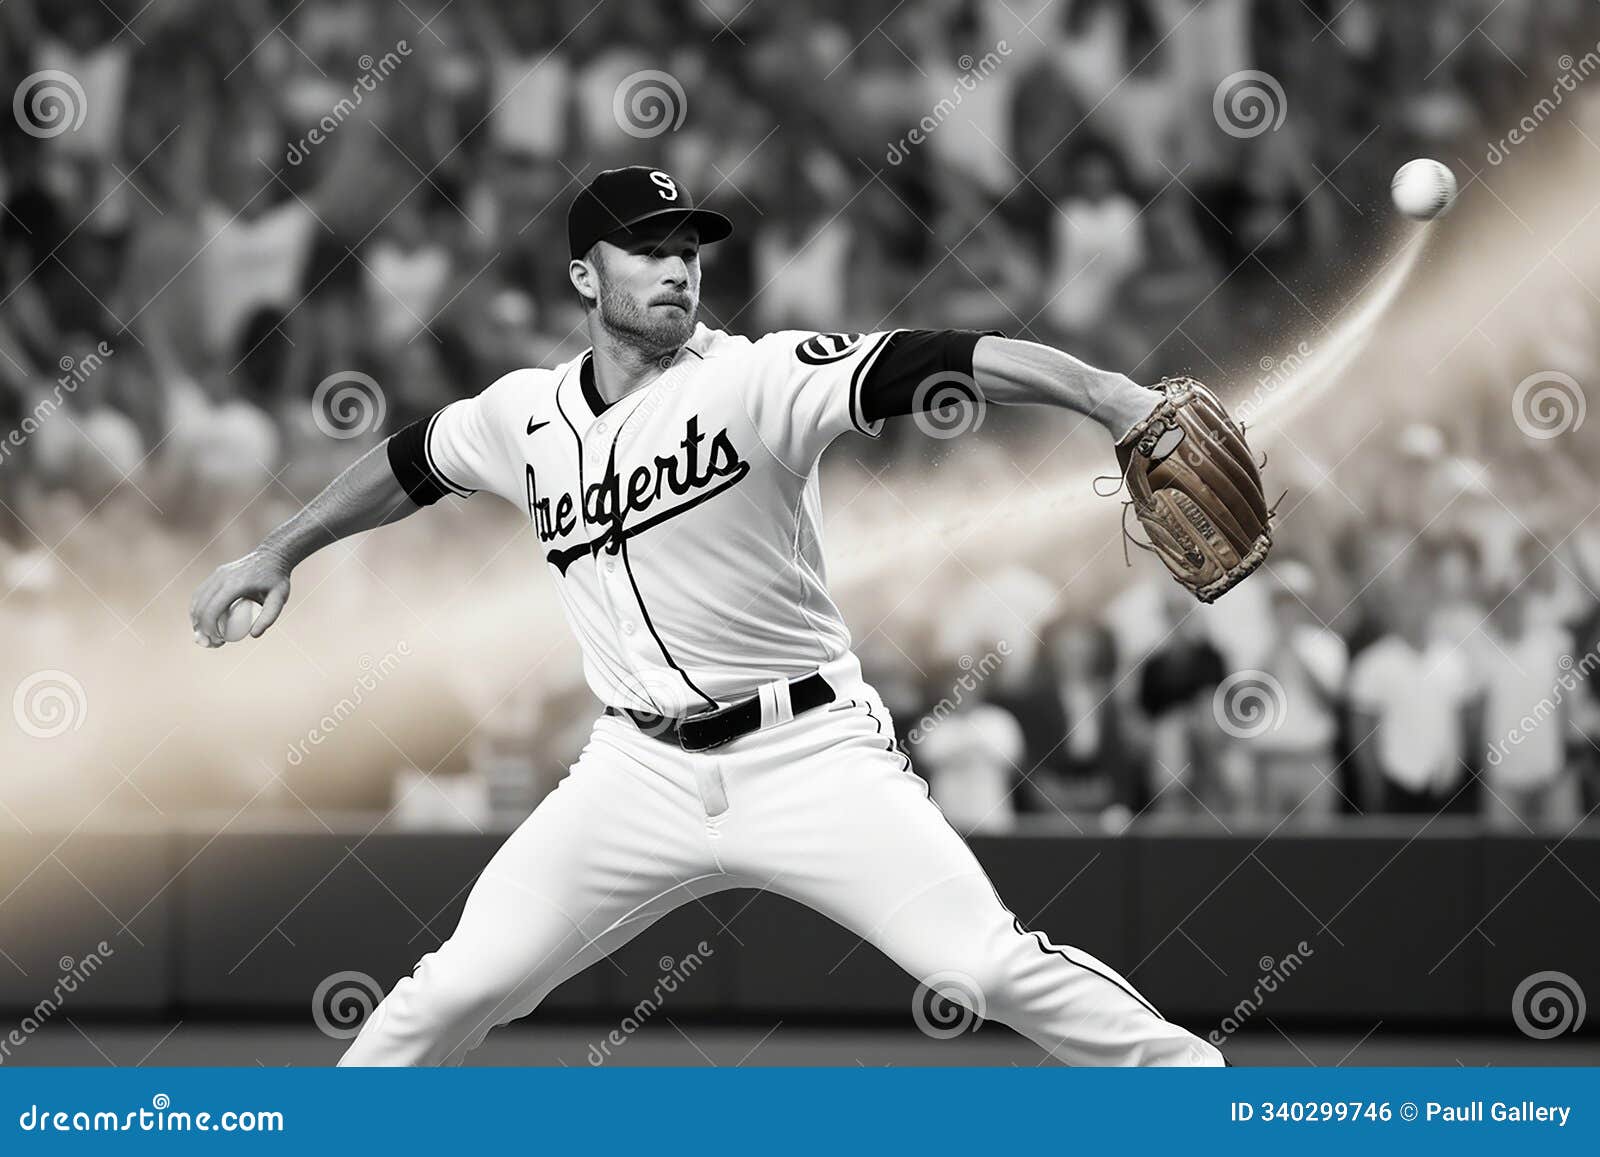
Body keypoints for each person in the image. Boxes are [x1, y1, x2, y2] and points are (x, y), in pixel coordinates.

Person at [191, 166, 1228, 1067]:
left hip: (810, 750)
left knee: (980, 964)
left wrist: (1104, 393)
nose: (676, 266)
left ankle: (1200, 1091)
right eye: (645, 249)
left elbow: (938, 355)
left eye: (686, 246)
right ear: (582, 277)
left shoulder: (754, 377)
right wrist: (279, 549)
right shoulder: (521, 414)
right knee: (451, 987)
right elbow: (412, 462)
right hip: (632, 772)